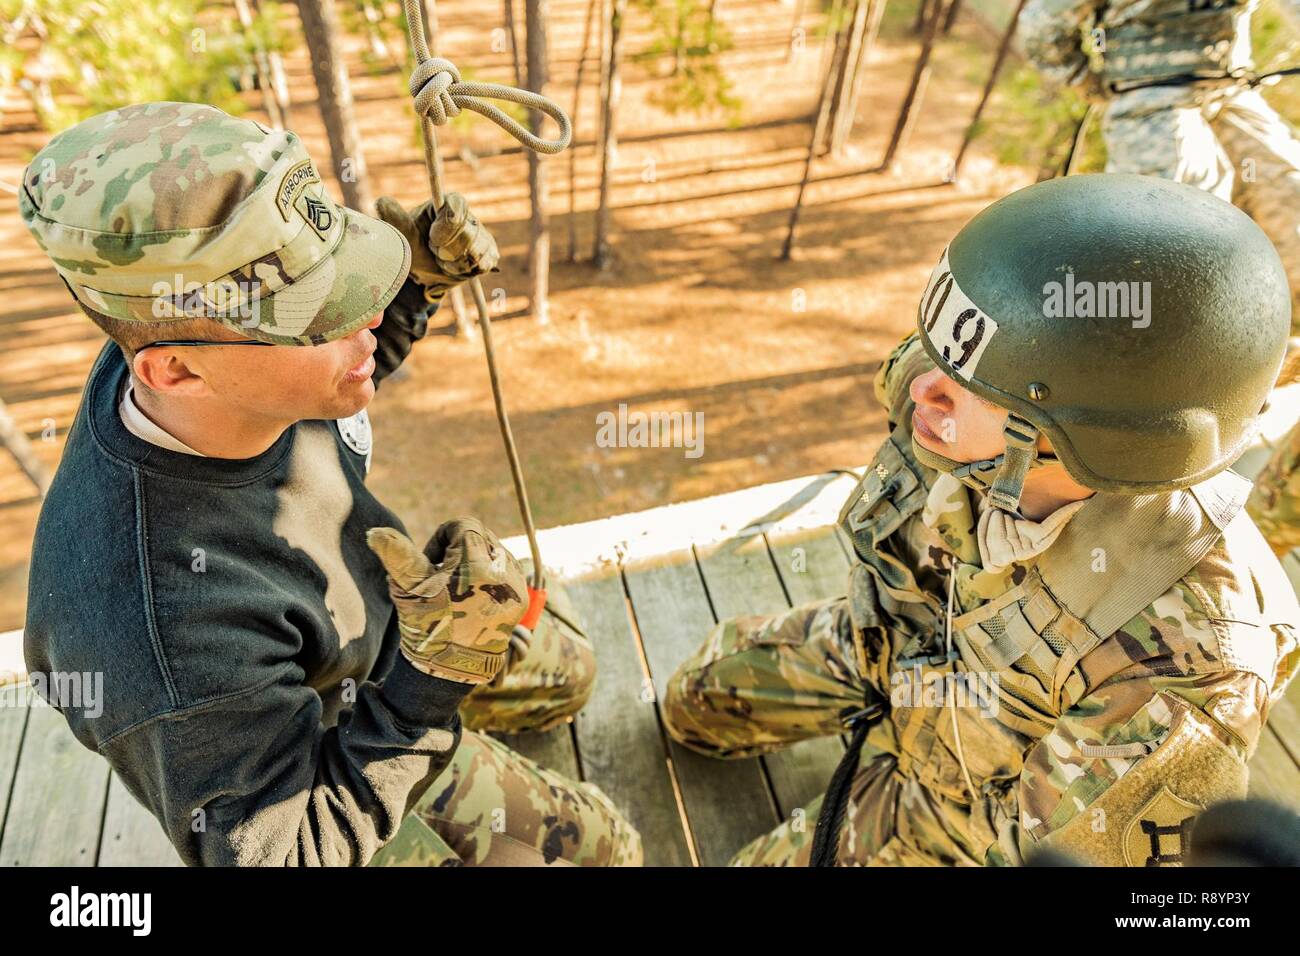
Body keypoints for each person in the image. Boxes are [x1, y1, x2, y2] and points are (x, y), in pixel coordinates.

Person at [18, 101, 641, 867]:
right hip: (333, 751)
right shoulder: (156, 640)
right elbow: (289, 851)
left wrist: (412, 290)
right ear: (175, 370)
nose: (368, 313)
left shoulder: (197, 352)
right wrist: (429, 684)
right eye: (320, 312)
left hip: (388, 637)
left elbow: (320, 378)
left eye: (345, 272)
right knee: (607, 847)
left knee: (569, 670)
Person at [662, 174, 1299, 866]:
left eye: (970, 387)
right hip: (898, 642)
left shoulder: (1186, 665)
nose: (920, 388)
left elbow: (1043, 854)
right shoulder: (963, 399)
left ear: (1082, 439)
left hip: (963, 812)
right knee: (691, 704)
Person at [1018, 0, 1300, 330]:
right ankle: (1160, 352)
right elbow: (1041, 25)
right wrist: (1089, 82)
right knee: (1178, 229)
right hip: (1150, 102)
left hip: (1229, 91)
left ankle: (1275, 340)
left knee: (1287, 192)